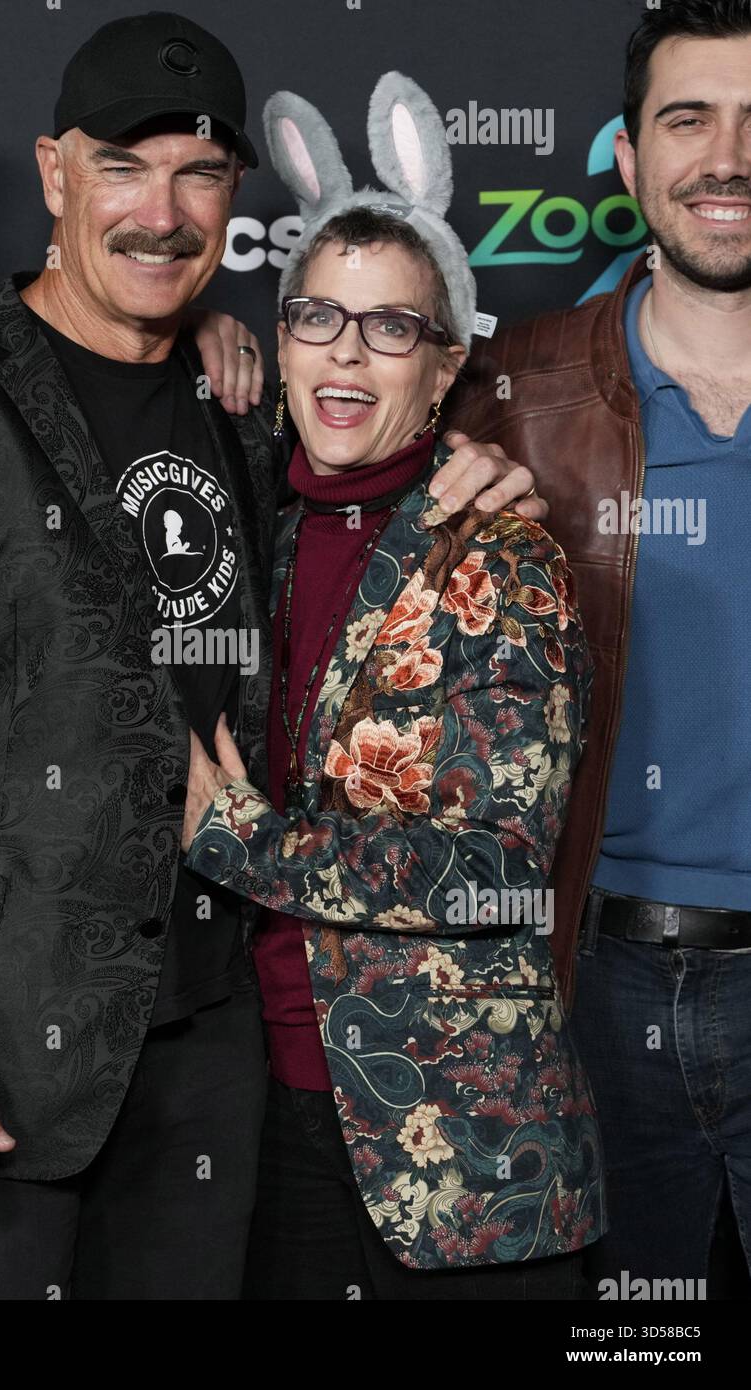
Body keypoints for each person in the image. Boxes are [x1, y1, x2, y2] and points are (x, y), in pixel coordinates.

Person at [0, 12, 543, 1301]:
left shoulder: (241, 401)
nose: (161, 210)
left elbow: (366, 502)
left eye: (196, 172)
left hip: (203, 1058)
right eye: (121, 165)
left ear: (234, 194)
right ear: (52, 173)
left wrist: (479, 470)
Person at [183, 71, 604, 1299]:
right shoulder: (238, 516)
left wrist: (244, 845)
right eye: (317, 315)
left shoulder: (500, 557)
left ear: (444, 363)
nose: (346, 352)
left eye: (390, 326)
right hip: (259, 1122)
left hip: (463, 1150)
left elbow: (498, 867)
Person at [447, 0, 751, 1296]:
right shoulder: (513, 393)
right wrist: (215, 359)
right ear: (625, 163)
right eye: (686, 119)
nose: (724, 155)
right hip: (595, 984)